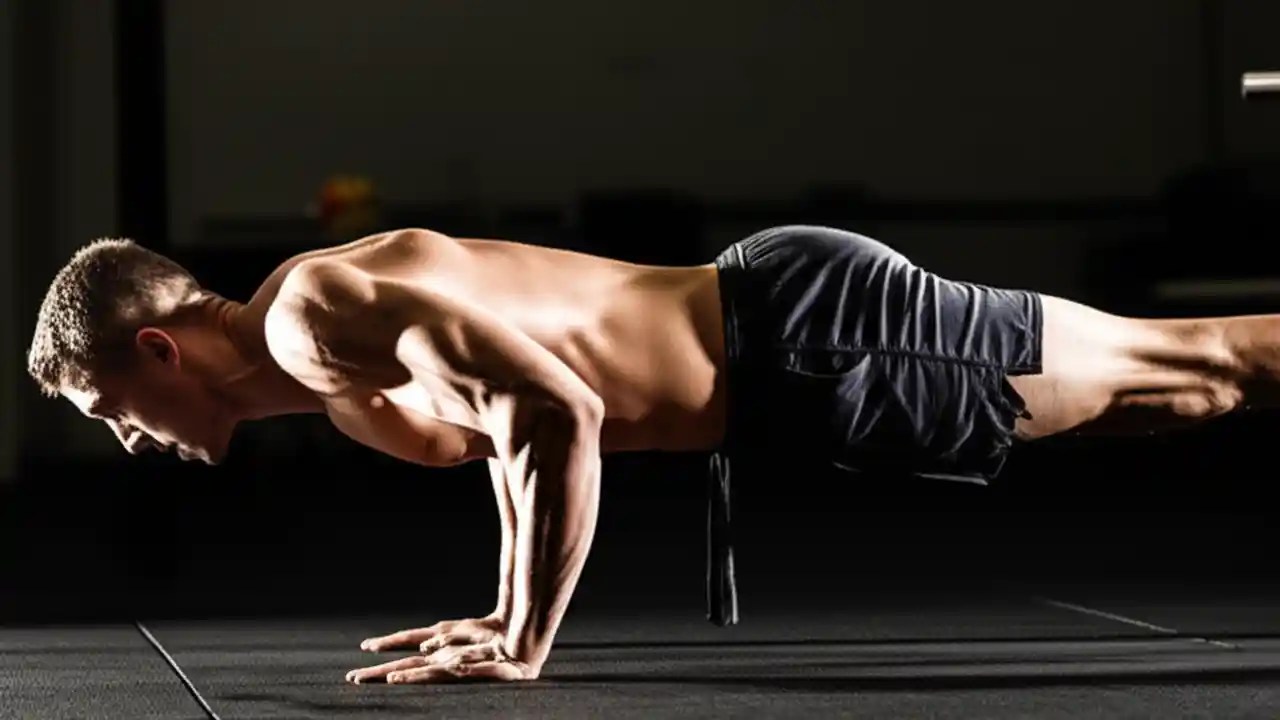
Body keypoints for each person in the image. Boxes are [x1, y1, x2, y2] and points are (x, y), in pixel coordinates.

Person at [25, 225, 1269, 684]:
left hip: (803, 338)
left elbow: (554, 414)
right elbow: (512, 437)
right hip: (790, 377)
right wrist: (498, 612)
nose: (128, 440)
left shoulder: (311, 316)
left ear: (157, 347)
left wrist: (522, 635)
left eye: (111, 408)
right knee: (1189, 394)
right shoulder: (339, 393)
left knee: (1206, 368)